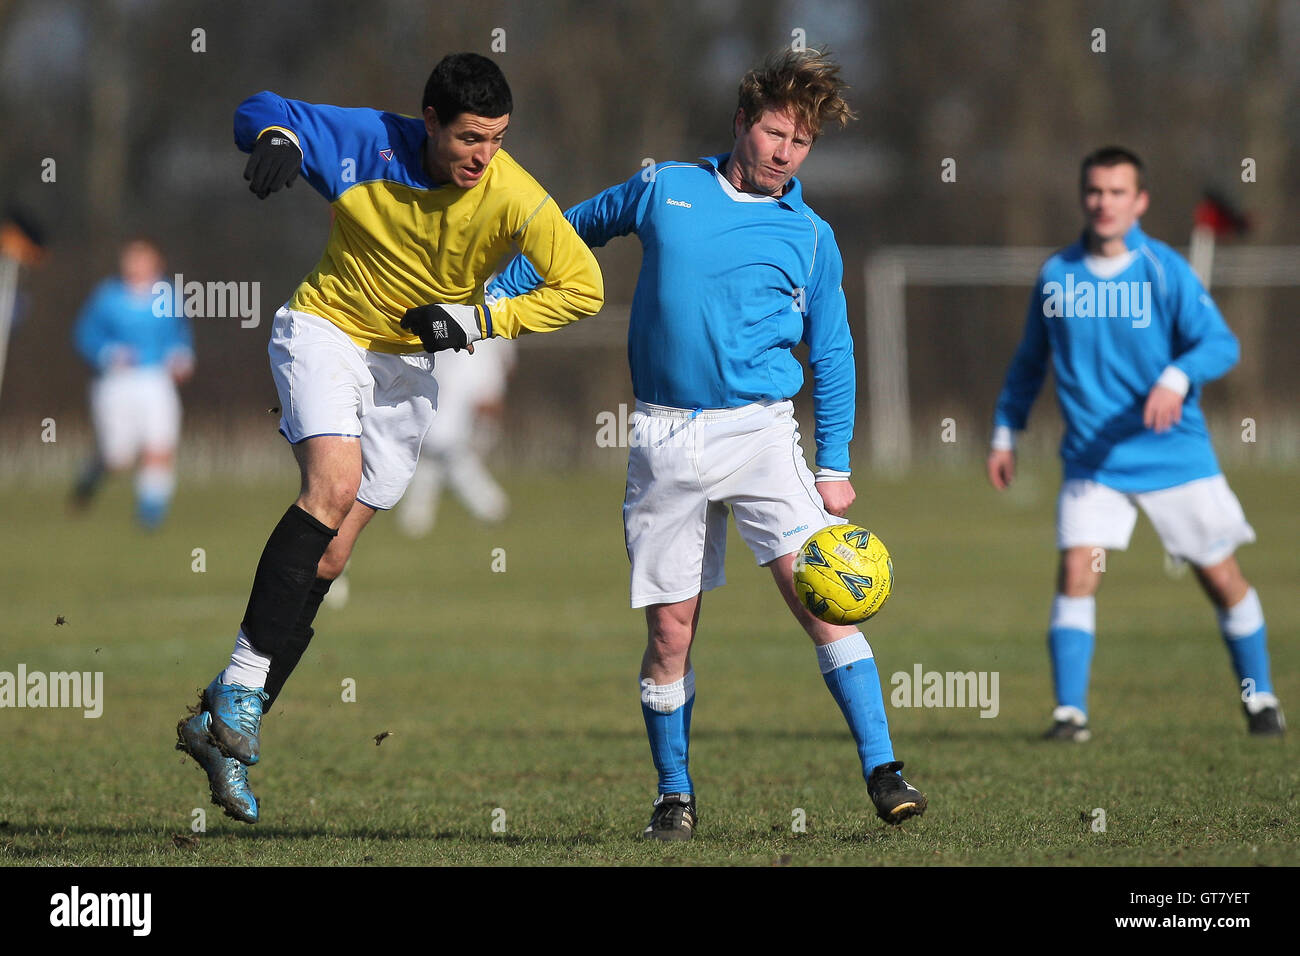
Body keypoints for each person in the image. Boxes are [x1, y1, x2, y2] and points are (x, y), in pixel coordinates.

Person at [490, 48, 926, 839]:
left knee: (823, 601)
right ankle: (674, 793)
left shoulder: (812, 236)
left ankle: (884, 768)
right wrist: (495, 298)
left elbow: (832, 352)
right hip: (662, 435)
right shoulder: (666, 187)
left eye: (801, 141)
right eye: (772, 132)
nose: (784, 152)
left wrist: (836, 465)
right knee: (670, 631)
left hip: (761, 433)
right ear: (741, 122)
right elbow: (569, 232)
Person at [175, 53, 603, 824]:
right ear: (429, 120)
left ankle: (224, 723)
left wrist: (477, 319)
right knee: (332, 486)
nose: (485, 156)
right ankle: (239, 685)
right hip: (326, 330)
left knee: (333, 552)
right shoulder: (367, 141)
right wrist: (272, 135)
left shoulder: (512, 194)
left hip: (407, 373)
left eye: (499, 139)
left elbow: (584, 287)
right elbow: (259, 105)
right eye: (470, 138)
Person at [987, 146, 1284, 741]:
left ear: (1140, 201)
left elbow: (1221, 345)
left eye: (1118, 192)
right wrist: (1004, 431)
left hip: (1174, 455)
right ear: (1083, 197)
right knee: (1078, 569)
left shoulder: (1164, 269)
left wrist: (1176, 377)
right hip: (1095, 461)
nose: (1104, 202)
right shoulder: (1057, 276)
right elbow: (1028, 365)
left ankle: (1262, 703)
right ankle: (1069, 716)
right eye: (1095, 191)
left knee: (1220, 578)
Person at [72, 238, 193, 529]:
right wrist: (107, 353)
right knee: (118, 456)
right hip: (116, 381)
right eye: (130, 258)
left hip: (156, 379)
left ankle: (149, 517)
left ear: (156, 262)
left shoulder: (168, 296)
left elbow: (179, 334)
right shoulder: (107, 296)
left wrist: (182, 356)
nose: (134, 264)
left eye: (142, 258)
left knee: (159, 443)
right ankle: (91, 476)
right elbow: (84, 335)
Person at [396, 335, 515, 538]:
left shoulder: (496, 312)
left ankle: (489, 504)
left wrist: (493, 389)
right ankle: (488, 506)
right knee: (439, 451)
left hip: (470, 381)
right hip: (447, 380)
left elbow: (503, 358)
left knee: (443, 448)